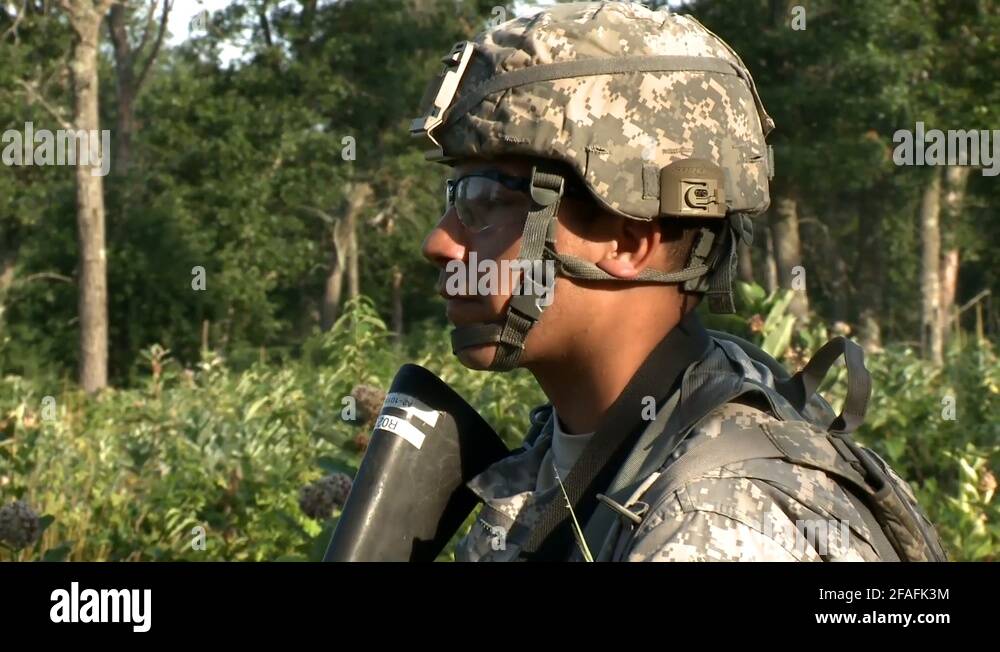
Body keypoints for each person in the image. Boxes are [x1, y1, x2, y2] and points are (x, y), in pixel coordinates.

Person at [413, 1, 944, 562]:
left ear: (628, 241)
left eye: (487, 200)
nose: (439, 244)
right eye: (456, 196)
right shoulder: (583, 453)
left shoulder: (713, 525)